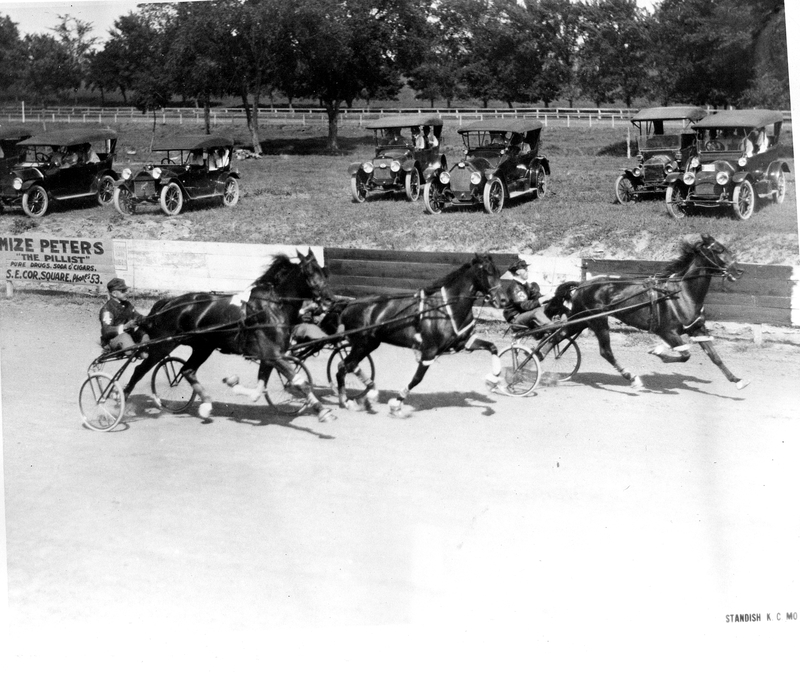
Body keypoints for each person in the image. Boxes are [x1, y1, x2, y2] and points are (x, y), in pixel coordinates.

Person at [99, 277, 150, 359]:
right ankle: (137, 351)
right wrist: (125, 327)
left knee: (145, 334)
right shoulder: (107, 310)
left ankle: (143, 352)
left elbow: (137, 316)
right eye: (123, 291)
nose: (126, 292)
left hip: (127, 334)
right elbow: (106, 330)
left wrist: (149, 318)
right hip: (112, 339)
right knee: (126, 339)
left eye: (126, 290)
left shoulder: (127, 304)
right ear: (114, 294)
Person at [503, 258, 553, 331]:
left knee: (547, 307)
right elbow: (524, 306)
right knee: (536, 313)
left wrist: (550, 297)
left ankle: (557, 321)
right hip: (516, 318)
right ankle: (551, 327)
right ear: (518, 272)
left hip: (526, 314)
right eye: (525, 269)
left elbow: (537, 296)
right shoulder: (514, 288)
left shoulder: (527, 285)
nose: (527, 271)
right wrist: (542, 300)